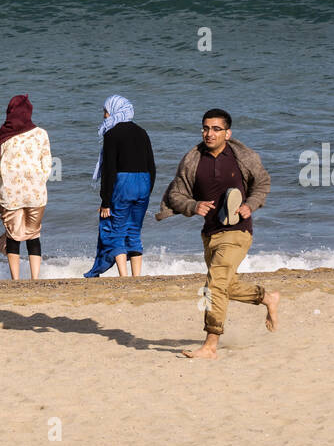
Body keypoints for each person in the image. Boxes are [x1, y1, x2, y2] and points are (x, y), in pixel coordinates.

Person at [156, 108, 281, 358]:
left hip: (238, 231)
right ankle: (267, 297)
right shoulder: (192, 160)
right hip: (210, 233)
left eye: (215, 129)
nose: (209, 133)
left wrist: (251, 205)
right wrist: (193, 206)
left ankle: (210, 345)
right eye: (205, 128)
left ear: (227, 132)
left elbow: (263, 182)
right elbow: (175, 195)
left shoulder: (242, 157)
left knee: (214, 286)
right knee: (224, 285)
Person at [85, 94, 155, 278]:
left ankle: (123, 276)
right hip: (144, 182)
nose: (104, 116)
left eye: (106, 112)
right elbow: (151, 165)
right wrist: (148, 191)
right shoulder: (142, 132)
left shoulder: (112, 133)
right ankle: (136, 275)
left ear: (113, 111)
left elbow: (109, 169)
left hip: (123, 183)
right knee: (134, 231)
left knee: (116, 230)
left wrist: (105, 201)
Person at [0, 94, 52, 280]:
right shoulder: (41, 134)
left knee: (13, 236)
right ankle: (35, 278)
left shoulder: (4, 137)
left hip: (10, 194)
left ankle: (15, 279)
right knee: (33, 235)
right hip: (36, 194)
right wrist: (36, 183)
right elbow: (47, 167)